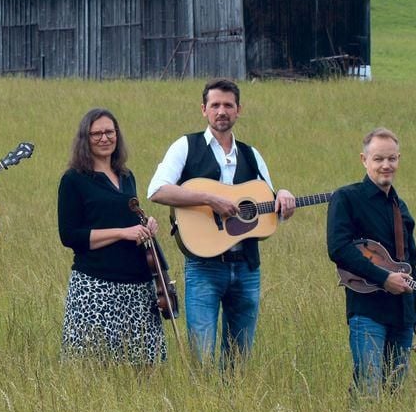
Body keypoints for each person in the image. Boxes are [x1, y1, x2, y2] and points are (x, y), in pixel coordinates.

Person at [147, 78, 295, 365]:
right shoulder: (186, 146)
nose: (221, 111)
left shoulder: (251, 154)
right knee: (201, 357)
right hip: (204, 267)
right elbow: (157, 190)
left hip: (247, 266)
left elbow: (268, 201)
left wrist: (284, 196)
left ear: (239, 110)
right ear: (204, 109)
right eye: (215, 105)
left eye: (228, 105)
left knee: (239, 358)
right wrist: (209, 199)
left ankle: (233, 394)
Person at [58, 108, 166, 365]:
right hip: (96, 286)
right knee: (94, 365)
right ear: (85, 138)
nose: (104, 138)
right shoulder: (73, 180)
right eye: (96, 134)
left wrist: (145, 225)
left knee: (144, 364)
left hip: (137, 285)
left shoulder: (126, 176)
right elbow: (70, 235)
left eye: (109, 132)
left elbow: (127, 219)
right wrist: (121, 233)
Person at [327, 127, 416, 397]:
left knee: (394, 396)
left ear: (399, 159)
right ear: (364, 160)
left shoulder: (401, 208)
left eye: (392, 159)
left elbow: (410, 266)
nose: (386, 165)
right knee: (367, 390)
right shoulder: (346, 198)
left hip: (402, 317)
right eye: (378, 159)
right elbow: (339, 249)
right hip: (367, 312)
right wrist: (384, 278)